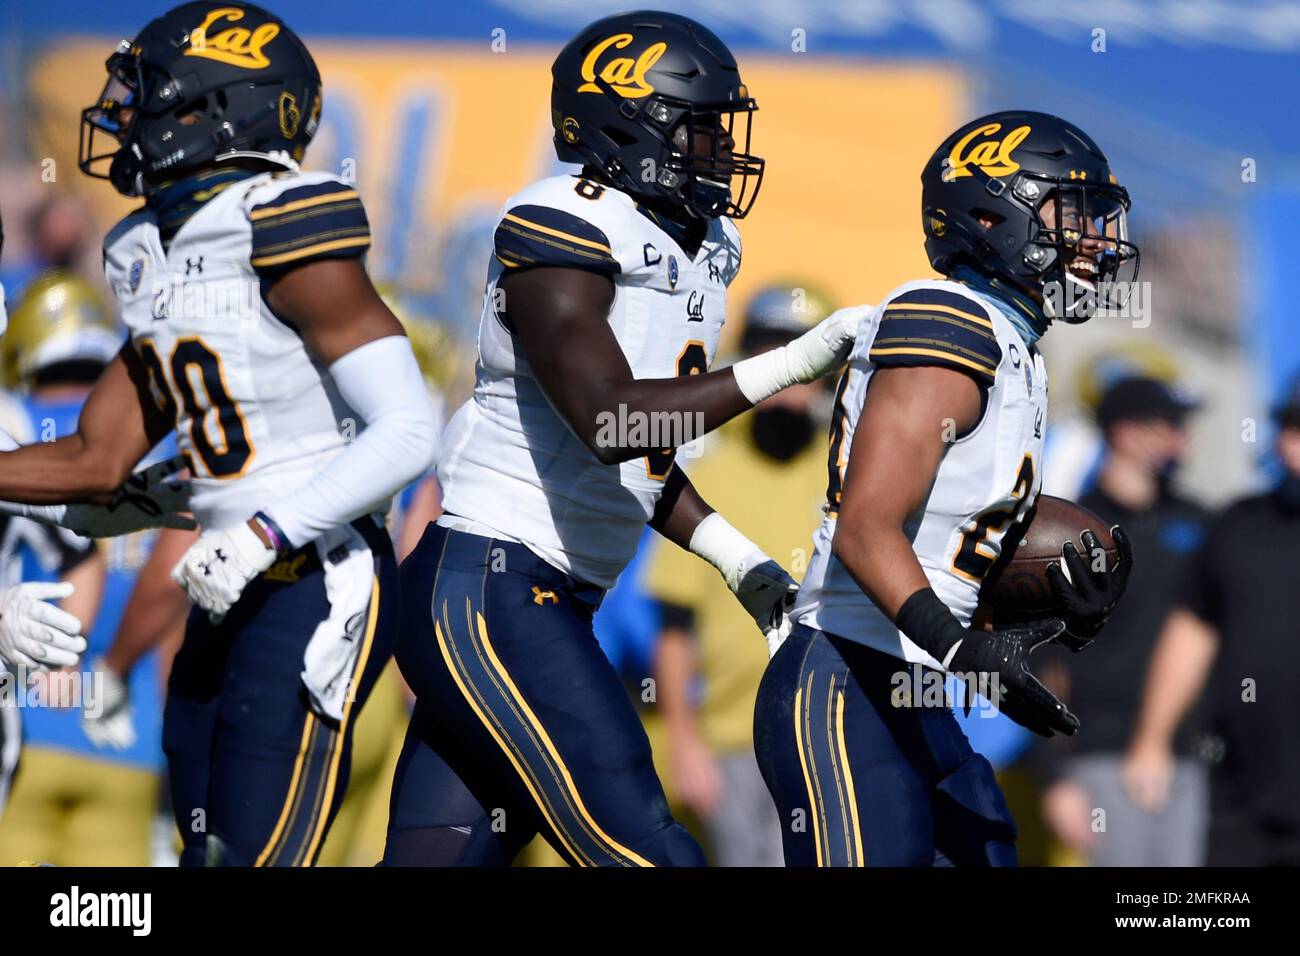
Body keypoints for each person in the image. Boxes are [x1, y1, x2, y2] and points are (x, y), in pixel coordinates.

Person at [382, 10, 863, 867]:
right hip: (487, 587)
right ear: (626, 126)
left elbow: (643, 456)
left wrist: (732, 555)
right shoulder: (561, 223)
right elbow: (612, 422)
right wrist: (790, 364)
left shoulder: (703, 243)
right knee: (642, 848)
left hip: (543, 597)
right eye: (701, 127)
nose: (722, 148)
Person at [0, 2, 438, 865]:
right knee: (197, 847)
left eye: (147, 94)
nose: (123, 116)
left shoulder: (287, 222)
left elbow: (409, 430)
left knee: (255, 856)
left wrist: (261, 531)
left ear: (213, 110)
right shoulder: (148, 248)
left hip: (318, 574)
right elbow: (98, 459)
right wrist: (174, 505)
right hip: (224, 584)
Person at [755, 111, 1137, 866]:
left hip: (906, 682)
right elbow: (867, 526)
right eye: (1074, 213)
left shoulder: (1012, 347)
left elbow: (947, 557)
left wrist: (1047, 616)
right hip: (845, 678)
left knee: (987, 844)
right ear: (997, 212)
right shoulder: (947, 321)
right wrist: (965, 651)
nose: (1095, 239)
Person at [647, 282, 834, 866]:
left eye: (799, 360)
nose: (785, 381)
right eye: (767, 357)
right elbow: (673, 626)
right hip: (728, 741)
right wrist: (684, 741)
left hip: (822, 741)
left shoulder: (847, 470)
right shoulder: (707, 471)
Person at [1125, 375, 1300, 866]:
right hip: (1241, 798)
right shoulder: (1237, 525)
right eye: (1291, 427)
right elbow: (1191, 632)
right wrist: (1152, 740)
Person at [1037, 375, 1210, 866]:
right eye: (1170, 426)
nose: (1184, 439)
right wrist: (1055, 777)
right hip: (1101, 756)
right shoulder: (1069, 528)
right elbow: (1042, 660)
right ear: (1126, 433)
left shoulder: (1200, 521)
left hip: (1196, 758)